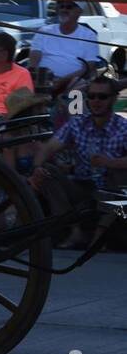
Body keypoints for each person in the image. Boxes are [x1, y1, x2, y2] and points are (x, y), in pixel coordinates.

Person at [29, 74, 127, 248]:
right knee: (46, 172)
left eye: (102, 96)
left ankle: (99, 236)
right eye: (91, 96)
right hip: (83, 185)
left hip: (111, 188)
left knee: (120, 177)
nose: (96, 101)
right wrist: (37, 168)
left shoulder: (123, 127)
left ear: (113, 99)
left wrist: (109, 162)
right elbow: (49, 148)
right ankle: (75, 231)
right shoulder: (77, 123)